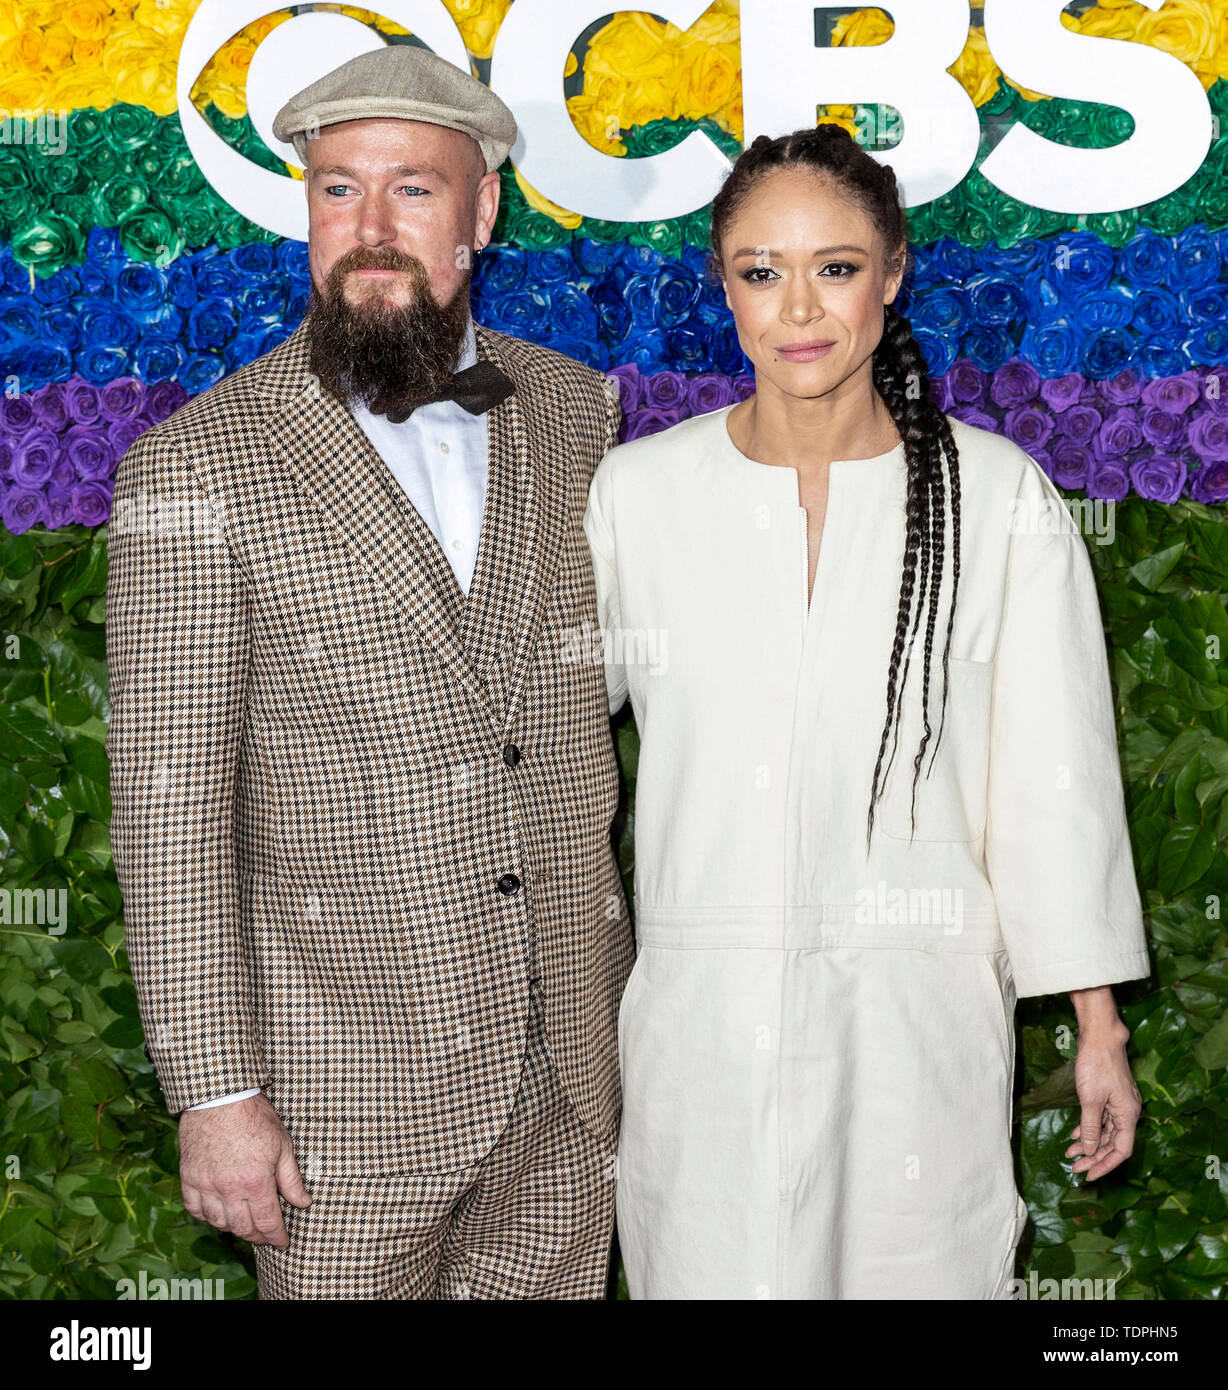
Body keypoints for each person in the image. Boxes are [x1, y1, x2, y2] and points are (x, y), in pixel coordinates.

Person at [583, 124, 1150, 1300]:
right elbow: (541, 741)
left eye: (835, 267)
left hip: (916, 1008)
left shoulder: (993, 497)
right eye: (760, 270)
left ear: (890, 274)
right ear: (722, 285)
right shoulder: (639, 494)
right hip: (702, 1016)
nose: (799, 307)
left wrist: (1097, 1027)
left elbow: (1052, 781)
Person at [105, 44, 633, 1300]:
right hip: (336, 1107)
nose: (371, 229)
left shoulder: (576, 412)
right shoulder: (195, 467)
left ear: (482, 212)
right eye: (339, 190)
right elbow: (169, 805)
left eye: (413, 189)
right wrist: (217, 1097)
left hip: (572, 1076)